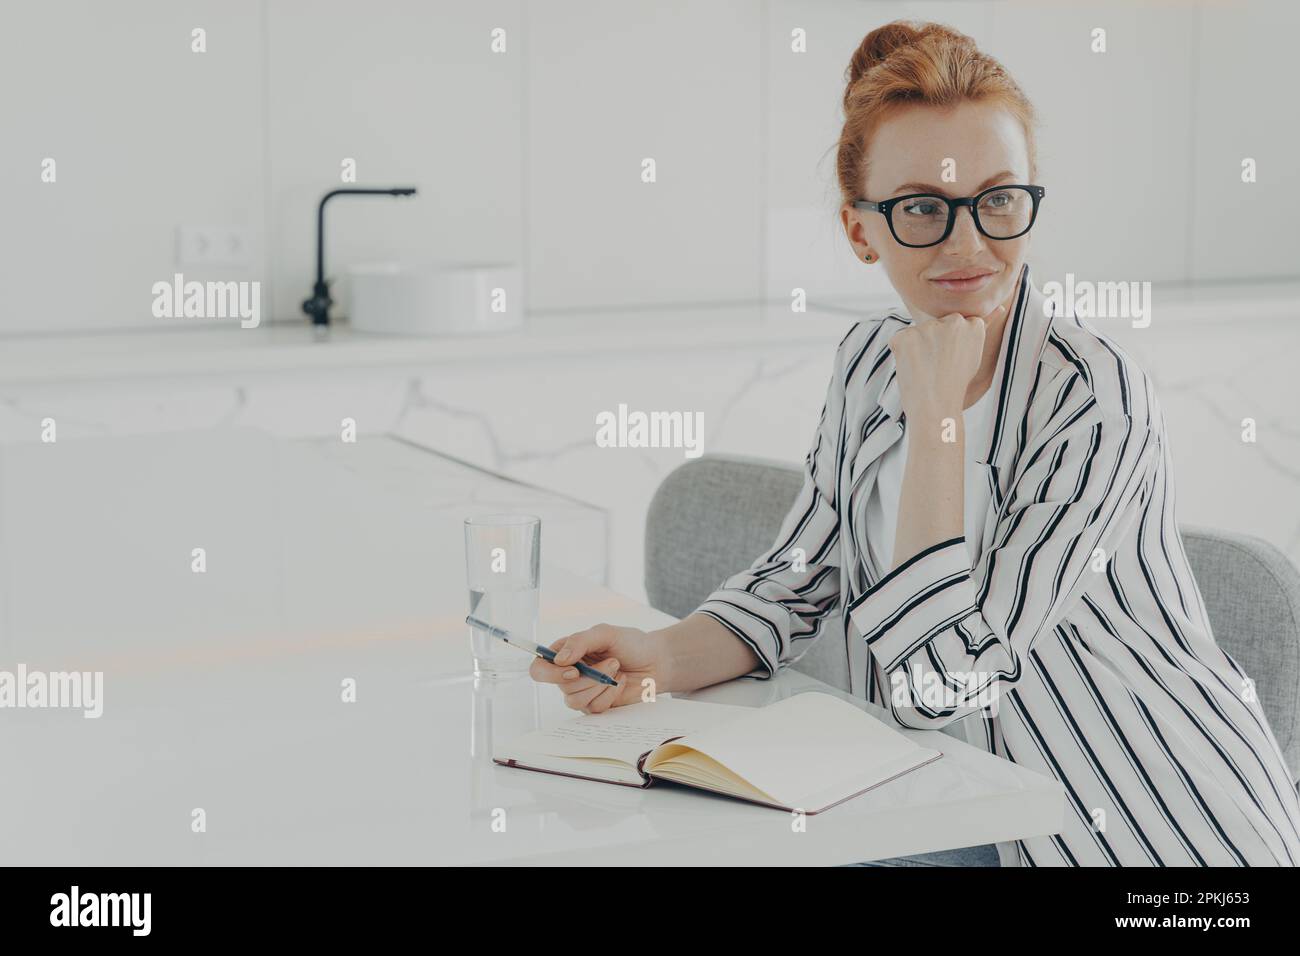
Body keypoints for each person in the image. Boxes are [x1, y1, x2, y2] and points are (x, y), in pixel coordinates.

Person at [528, 20, 1300, 866]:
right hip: (955, 812)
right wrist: (659, 656)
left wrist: (937, 420)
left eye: (999, 199)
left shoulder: (1092, 394)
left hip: (1150, 834)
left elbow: (943, 683)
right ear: (862, 231)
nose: (968, 244)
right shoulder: (868, 362)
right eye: (922, 209)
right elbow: (795, 582)